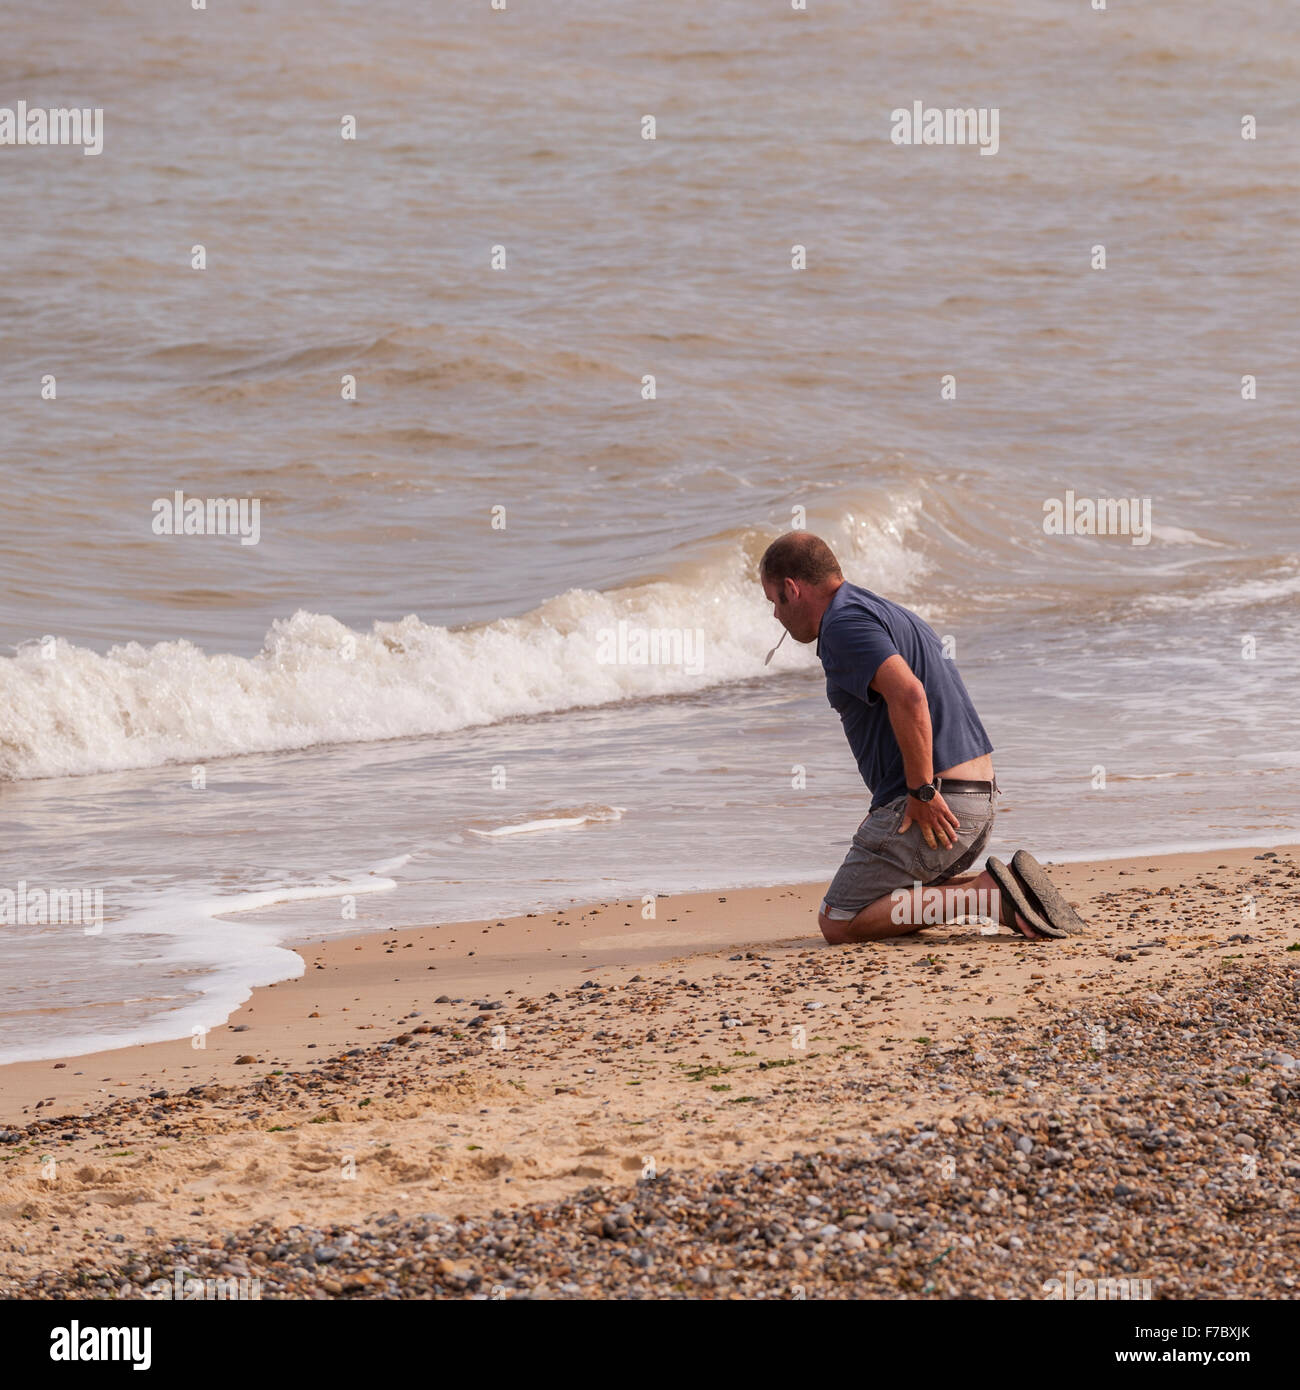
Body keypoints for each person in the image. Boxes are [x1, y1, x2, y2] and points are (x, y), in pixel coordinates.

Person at [758, 530, 1045, 943]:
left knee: (839, 920)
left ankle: (986, 896)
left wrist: (922, 792)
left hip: (944, 806)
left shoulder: (842, 625)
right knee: (877, 899)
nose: (775, 616)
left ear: (791, 589)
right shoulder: (880, 611)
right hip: (974, 796)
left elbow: (910, 695)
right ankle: (995, 888)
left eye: (773, 602)